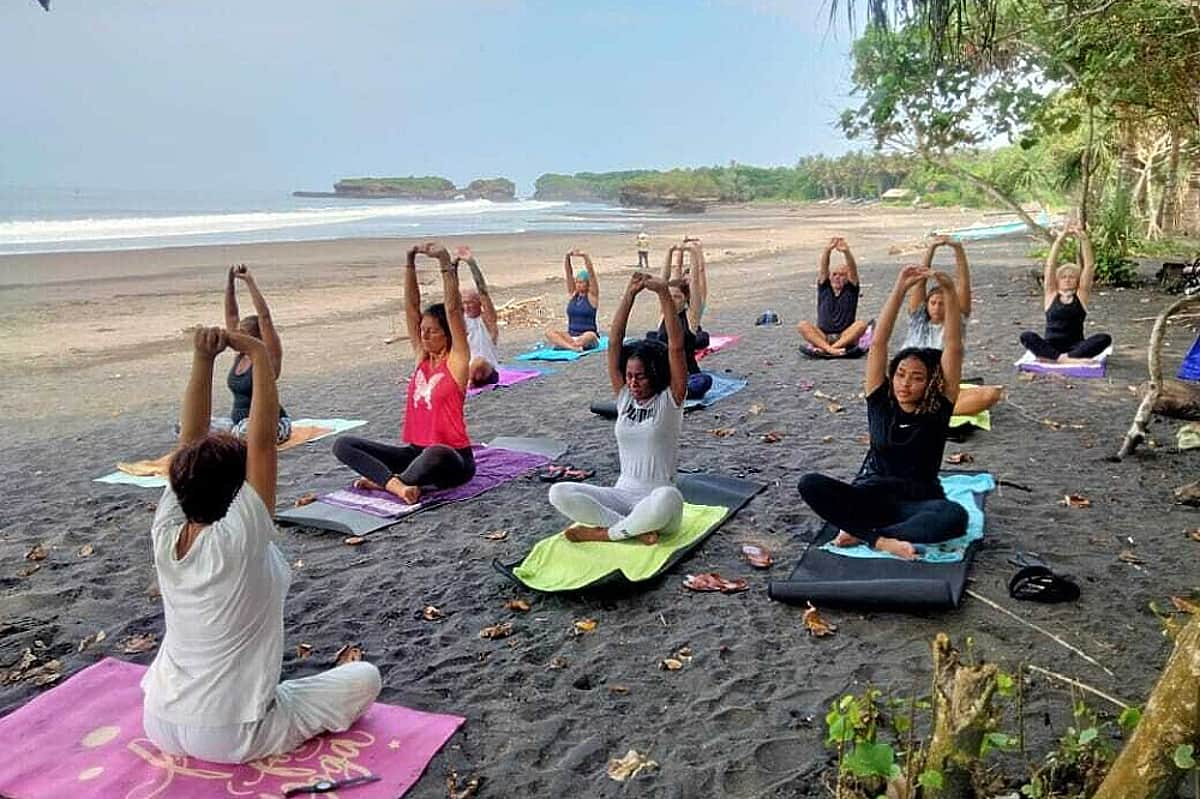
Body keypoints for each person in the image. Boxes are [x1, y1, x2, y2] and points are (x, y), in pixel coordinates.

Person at [142, 326, 380, 764]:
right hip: (233, 733)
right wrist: (257, 354)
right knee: (365, 678)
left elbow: (188, 443)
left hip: (159, 718)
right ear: (238, 491)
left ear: (179, 483)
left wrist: (202, 358)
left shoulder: (166, 533)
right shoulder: (239, 535)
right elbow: (264, 443)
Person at [797, 264, 969, 560]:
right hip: (870, 495)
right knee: (809, 484)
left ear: (930, 384)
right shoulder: (880, 400)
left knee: (953, 516)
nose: (905, 383)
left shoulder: (938, 408)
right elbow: (878, 342)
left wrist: (951, 293)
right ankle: (879, 539)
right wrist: (899, 288)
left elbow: (953, 347)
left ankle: (866, 532)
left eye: (917, 378)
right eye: (901, 374)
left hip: (918, 502)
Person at [548, 271, 687, 544]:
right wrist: (629, 294)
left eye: (641, 376)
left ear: (656, 375)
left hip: (657, 502)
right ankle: (630, 529)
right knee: (559, 492)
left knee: (668, 498)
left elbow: (676, 348)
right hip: (621, 497)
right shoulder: (624, 397)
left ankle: (607, 534)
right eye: (629, 375)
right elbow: (613, 342)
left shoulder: (669, 401)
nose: (632, 382)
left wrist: (662, 294)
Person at [332, 243, 475, 504]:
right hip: (414, 453)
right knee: (343, 444)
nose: (424, 334)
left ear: (448, 334)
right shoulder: (423, 357)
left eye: (432, 330)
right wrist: (409, 261)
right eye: (422, 329)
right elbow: (411, 307)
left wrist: (444, 262)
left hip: (453, 460)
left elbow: (453, 311)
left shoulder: (456, 361)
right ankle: (398, 484)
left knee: (436, 452)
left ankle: (392, 482)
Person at [905, 236, 1003, 416]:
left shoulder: (956, 323)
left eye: (942, 303)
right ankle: (927, 410)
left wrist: (958, 249)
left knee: (992, 393)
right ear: (926, 305)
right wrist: (931, 248)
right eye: (933, 302)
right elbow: (920, 282)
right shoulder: (918, 321)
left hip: (940, 387)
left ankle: (928, 410)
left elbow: (963, 283)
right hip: (911, 382)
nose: (937, 307)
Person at [1020, 224, 1112, 363]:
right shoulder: (1051, 294)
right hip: (1051, 346)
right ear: (1057, 280)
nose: (1067, 279)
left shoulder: (1081, 296)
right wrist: (1060, 238)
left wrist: (1084, 239)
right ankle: (1064, 359)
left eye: (1071, 277)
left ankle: (1061, 359)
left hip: (1075, 347)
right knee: (1027, 336)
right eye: (1063, 277)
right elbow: (1050, 266)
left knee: (1104, 338)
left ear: (1077, 280)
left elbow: (1089, 266)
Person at [223, 265, 291, 443]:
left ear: (257, 337)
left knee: (245, 433)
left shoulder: (268, 359)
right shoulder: (240, 355)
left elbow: (265, 318)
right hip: (238, 423)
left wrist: (249, 282)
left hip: (271, 424)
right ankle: (230, 437)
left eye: (244, 333)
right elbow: (231, 315)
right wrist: (230, 283)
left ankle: (230, 438)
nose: (238, 336)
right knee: (186, 426)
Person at [648, 246, 712, 399]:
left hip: (687, 375)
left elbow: (696, 283)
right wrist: (669, 252)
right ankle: (667, 390)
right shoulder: (663, 314)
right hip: (664, 373)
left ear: (685, 300)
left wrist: (694, 253)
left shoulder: (690, 317)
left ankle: (673, 392)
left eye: (677, 297)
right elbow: (662, 281)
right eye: (670, 297)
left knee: (704, 381)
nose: (672, 300)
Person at [796, 237, 868, 356]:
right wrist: (827, 250)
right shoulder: (824, 288)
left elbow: (853, 270)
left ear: (847, 277)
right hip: (822, 335)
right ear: (830, 277)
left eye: (842, 275)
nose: (837, 277)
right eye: (834, 274)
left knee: (861, 325)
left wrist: (846, 252)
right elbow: (824, 268)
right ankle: (830, 349)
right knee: (802, 325)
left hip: (844, 336)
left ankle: (830, 349)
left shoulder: (851, 289)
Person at [455, 246, 501, 387]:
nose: (467, 306)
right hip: (465, 368)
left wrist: (471, 263)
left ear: (478, 303)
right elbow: (452, 294)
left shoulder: (487, 320)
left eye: (470, 303)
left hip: (487, 370)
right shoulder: (462, 321)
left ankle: (468, 381)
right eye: (464, 303)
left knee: (479, 362)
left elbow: (483, 291)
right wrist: (454, 265)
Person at [545, 249, 600, 352]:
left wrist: (585, 256)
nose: (578, 284)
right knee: (549, 332)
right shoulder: (573, 294)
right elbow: (568, 274)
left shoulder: (592, 297)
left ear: (587, 284)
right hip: (571, 336)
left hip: (587, 337)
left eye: (581, 282)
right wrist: (567, 257)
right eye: (577, 282)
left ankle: (567, 345)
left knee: (590, 335)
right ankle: (572, 347)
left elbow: (592, 275)